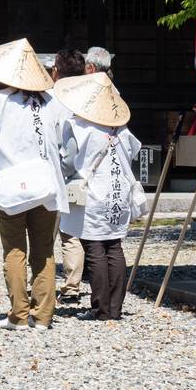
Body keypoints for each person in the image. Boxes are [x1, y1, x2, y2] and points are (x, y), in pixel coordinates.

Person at [0, 39, 68, 331]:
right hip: (45, 184)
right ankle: (42, 317)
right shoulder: (51, 100)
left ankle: (18, 315)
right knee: (44, 251)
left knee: (15, 250)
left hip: (11, 184)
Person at [55, 73, 141, 321]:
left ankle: (101, 308)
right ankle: (115, 308)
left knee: (93, 248)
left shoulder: (79, 126)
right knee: (114, 246)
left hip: (92, 193)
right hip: (118, 192)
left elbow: (68, 162)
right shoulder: (122, 129)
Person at [50, 48, 87, 302]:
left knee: (44, 234)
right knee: (72, 234)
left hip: (54, 170)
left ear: (56, 70)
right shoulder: (88, 96)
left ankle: (40, 284)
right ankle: (73, 286)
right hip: (82, 173)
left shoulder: (49, 98)